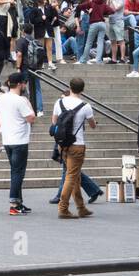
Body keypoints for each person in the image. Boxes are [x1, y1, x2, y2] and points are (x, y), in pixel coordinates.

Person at [54, 77, 97, 219]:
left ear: (70, 87)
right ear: (82, 90)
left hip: (62, 144)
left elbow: (54, 122)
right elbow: (92, 125)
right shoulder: (85, 106)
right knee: (72, 176)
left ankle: (81, 207)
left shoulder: (59, 102)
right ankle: (63, 208)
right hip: (77, 145)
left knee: (75, 176)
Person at [0, 72, 36, 215]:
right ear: (19, 84)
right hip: (20, 141)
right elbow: (31, 118)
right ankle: (13, 203)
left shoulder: (0, 99)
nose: (25, 86)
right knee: (18, 172)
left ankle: (19, 202)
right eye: (24, 83)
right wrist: (28, 102)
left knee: (15, 171)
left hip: (7, 140)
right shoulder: (20, 100)